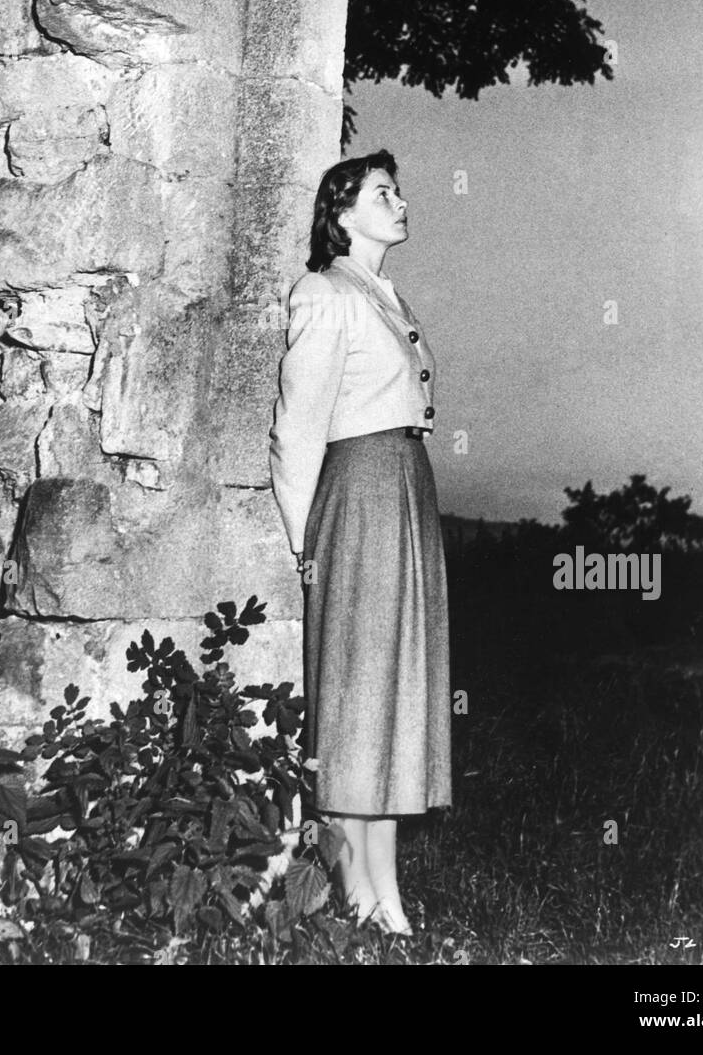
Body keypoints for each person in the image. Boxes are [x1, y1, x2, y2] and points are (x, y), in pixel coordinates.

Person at [268, 149, 452, 936]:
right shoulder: (324, 292)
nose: (400, 201)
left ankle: (384, 890)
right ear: (342, 214)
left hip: (405, 489)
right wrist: (304, 541)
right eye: (383, 193)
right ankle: (352, 887)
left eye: (400, 190)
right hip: (359, 494)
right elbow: (296, 430)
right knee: (354, 698)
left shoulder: (383, 294)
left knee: (391, 692)